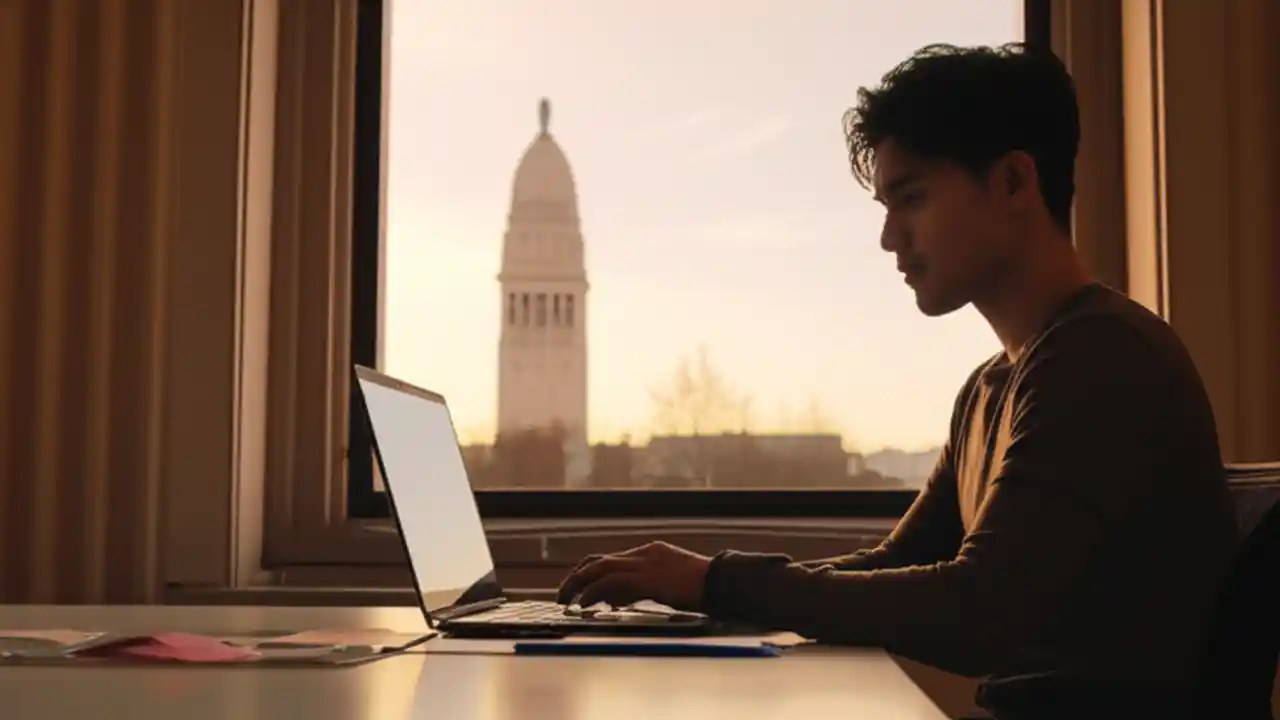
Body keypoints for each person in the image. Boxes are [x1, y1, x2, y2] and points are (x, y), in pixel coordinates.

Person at [557, 43, 1236, 718]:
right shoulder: (991, 387)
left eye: (910, 198)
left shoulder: (1101, 357)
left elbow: (978, 612)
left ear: (1014, 182)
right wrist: (704, 583)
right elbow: (896, 564)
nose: (889, 237)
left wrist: (717, 581)